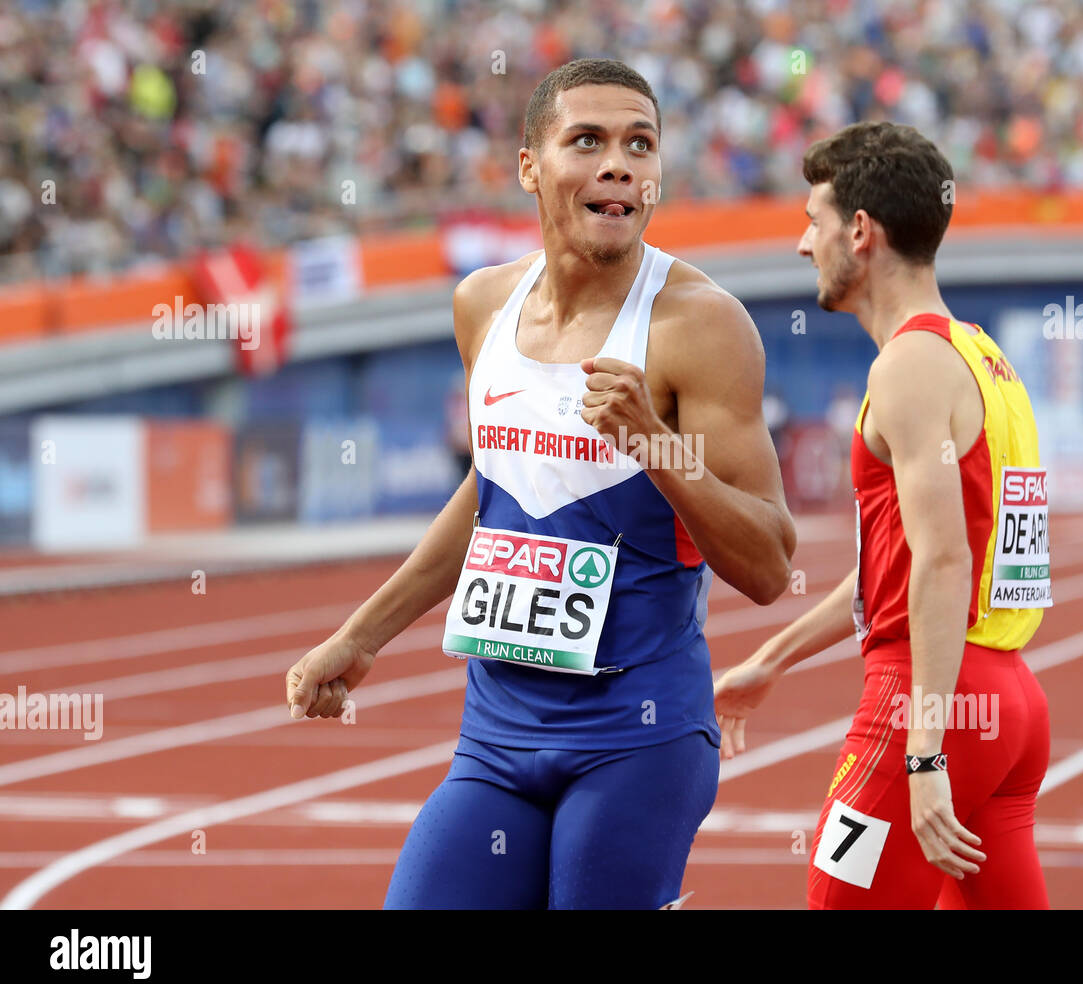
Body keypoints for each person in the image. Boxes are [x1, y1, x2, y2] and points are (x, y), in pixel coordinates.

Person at [284, 58, 796, 909]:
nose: (619, 164)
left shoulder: (700, 326)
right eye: (586, 140)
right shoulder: (483, 305)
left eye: (640, 144)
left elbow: (771, 564)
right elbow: (495, 489)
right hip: (496, 737)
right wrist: (363, 635)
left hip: (638, 734)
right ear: (530, 166)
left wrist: (656, 444)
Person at [713, 121, 1053, 910]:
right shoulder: (982, 358)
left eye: (813, 221)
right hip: (1010, 705)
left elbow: (942, 563)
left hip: (928, 703)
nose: (804, 245)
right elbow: (891, 566)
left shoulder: (907, 367)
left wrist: (927, 754)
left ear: (860, 232)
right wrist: (776, 655)